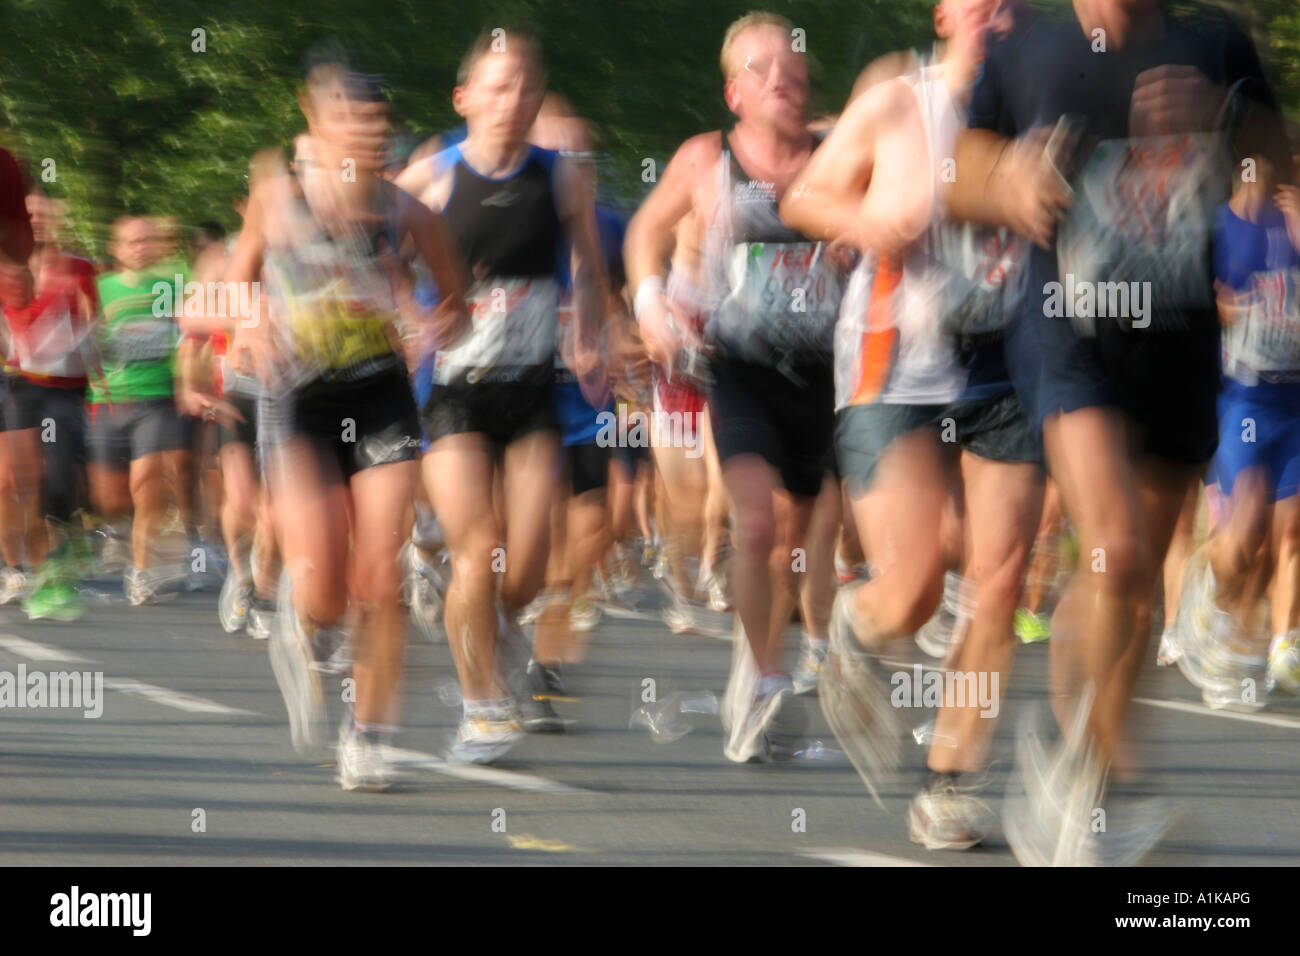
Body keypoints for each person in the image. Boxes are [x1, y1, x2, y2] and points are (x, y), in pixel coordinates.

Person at [228, 56, 469, 790]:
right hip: (298, 400)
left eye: (374, 124)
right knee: (327, 586)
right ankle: (306, 619)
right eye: (346, 121)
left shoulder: (408, 215)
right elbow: (229, 287)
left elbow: (457, 306)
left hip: (379, 396)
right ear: (315, 123)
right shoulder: (278, 202)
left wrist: (431, 326)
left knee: (380, 574)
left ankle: (369, 735)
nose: (362, 137)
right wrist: (251, 325)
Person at [626, 11, 852, 763]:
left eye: (791, 66)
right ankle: (766, 678)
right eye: (761, 69)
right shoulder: (705, 159)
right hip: (739, 367)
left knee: (795, 536)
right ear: (734, 93)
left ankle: (757, 661)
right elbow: (644, 235)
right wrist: (651, 302)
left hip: (822, 373)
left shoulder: (839, 154)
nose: (781, 77)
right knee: (756, 525)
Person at [395, 30, 608, 763]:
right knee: (478, 548)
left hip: (532, 393)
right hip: (454, 394)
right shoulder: (432, 177)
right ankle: (482, 706)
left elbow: (588, 263)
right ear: (465, 98)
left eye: (525, 86)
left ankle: (480, 620)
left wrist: (592, 336)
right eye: (497, 85)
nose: (513, 100)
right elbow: (380, 260)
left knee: (520, 578)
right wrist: (410, 319)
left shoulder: (560, 177)